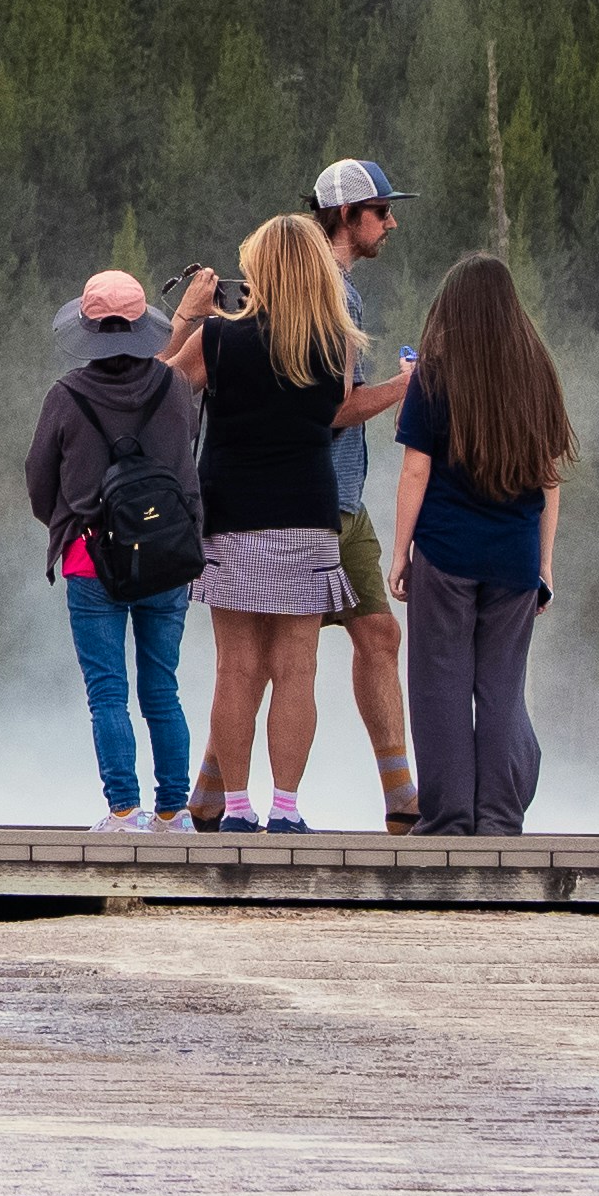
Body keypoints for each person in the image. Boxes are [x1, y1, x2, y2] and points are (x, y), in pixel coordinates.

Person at [194, 207, 368, 830]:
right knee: (298, 668)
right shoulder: (335, 343)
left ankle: (236, 808)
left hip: (232, 512)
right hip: (307, 512)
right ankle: (287, 809)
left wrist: (194, 311)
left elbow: (160, 389)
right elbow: (335, 413)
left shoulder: (218, 338)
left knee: (235, 668)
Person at [389, 251, 574, 836]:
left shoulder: (436, 377)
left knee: (440, 686)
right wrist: (544, 562)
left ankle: (447, 820)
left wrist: (400, 553)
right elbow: (550, 481)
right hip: (514, 559)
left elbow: (416, 472)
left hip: (445, 554)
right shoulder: (537, 373)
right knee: (500, 688)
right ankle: (498, 818)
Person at [31, 263, 207, 823]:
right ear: (142, 329)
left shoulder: (65, 396)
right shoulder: (177, 389)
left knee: (107, 693)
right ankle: (173, 814)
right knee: (162, 689)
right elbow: (188, 458)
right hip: (167, 558)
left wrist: (64, 524)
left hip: (91, 559)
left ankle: (124, 812)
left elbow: (39, 480)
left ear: (86, 328)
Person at [310, 160, 433, 821]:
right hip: (313, 502)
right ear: (346, 216)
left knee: (380, 633)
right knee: (274, 653)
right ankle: (218, 799)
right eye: (381, 211)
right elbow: (330, 409)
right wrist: (404, 388)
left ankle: (401, 797)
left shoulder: (333, 285)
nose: (391, 222)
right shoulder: (332, 291)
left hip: (345, 500)